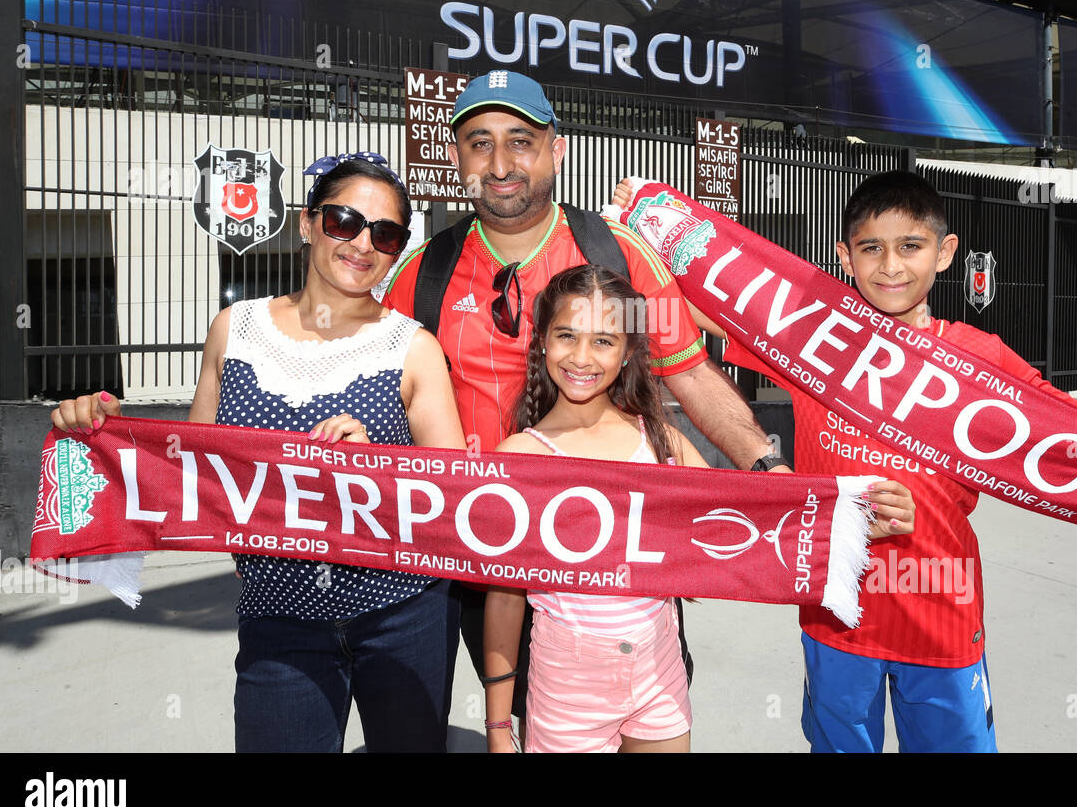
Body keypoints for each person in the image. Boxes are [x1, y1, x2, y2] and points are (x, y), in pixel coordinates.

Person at [380, 70, 791, 719]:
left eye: (521, 140)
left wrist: (765, 467)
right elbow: (370, 392)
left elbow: (690, 374)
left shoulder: (615, 255)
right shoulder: (423, 271)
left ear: (558, 148)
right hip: (474, 555)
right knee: (502, 719)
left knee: (628, 722)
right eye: (479, 142)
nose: (501, 162)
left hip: (611, 558)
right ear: (456, 156)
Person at [711, 169, 1077, 753]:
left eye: (911, 246)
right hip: (836, 612)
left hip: (944, 618)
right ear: (845, 257)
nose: (890, 266)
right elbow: (705, 301)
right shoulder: (812, 341)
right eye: (871, 249)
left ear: (945, 253)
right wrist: (652, 229)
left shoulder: (979, 358)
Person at [50, 151, 466, 753]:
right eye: (344, 221)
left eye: (386, 232)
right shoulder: (236, 329)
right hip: (279, 617)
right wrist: (101, 432)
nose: (362, 244)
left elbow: (453, 495)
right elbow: (193, 476)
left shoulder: (413, 348)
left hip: (402, 616)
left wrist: (379, 460)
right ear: (307, 222)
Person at [482, 265, 708, 752]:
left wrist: (847, 517)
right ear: (542, 341)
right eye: (566, 335)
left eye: (604, 341)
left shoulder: (662, 442)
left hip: (660, 670)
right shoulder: (520, 457)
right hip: (566, 683)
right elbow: (504, 599)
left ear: (629, 352)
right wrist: (499, 727)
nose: (582, 357)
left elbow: (742, 524)